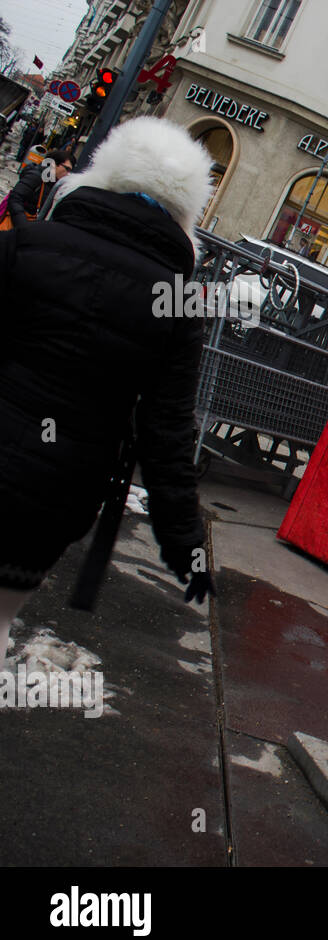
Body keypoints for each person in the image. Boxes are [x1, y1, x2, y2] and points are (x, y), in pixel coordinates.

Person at [0, 117, 217, 663]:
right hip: (54, 499)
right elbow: (167, 436)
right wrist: (185, 544)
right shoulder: (177, 305)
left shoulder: (26, 245)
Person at [5, 148, 75, 228]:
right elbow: (15, 198)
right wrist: (22, 223)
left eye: (70, 171)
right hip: (17, 225)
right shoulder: (36, 176)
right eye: (67, 169)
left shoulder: (54, 184)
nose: (68, 174)